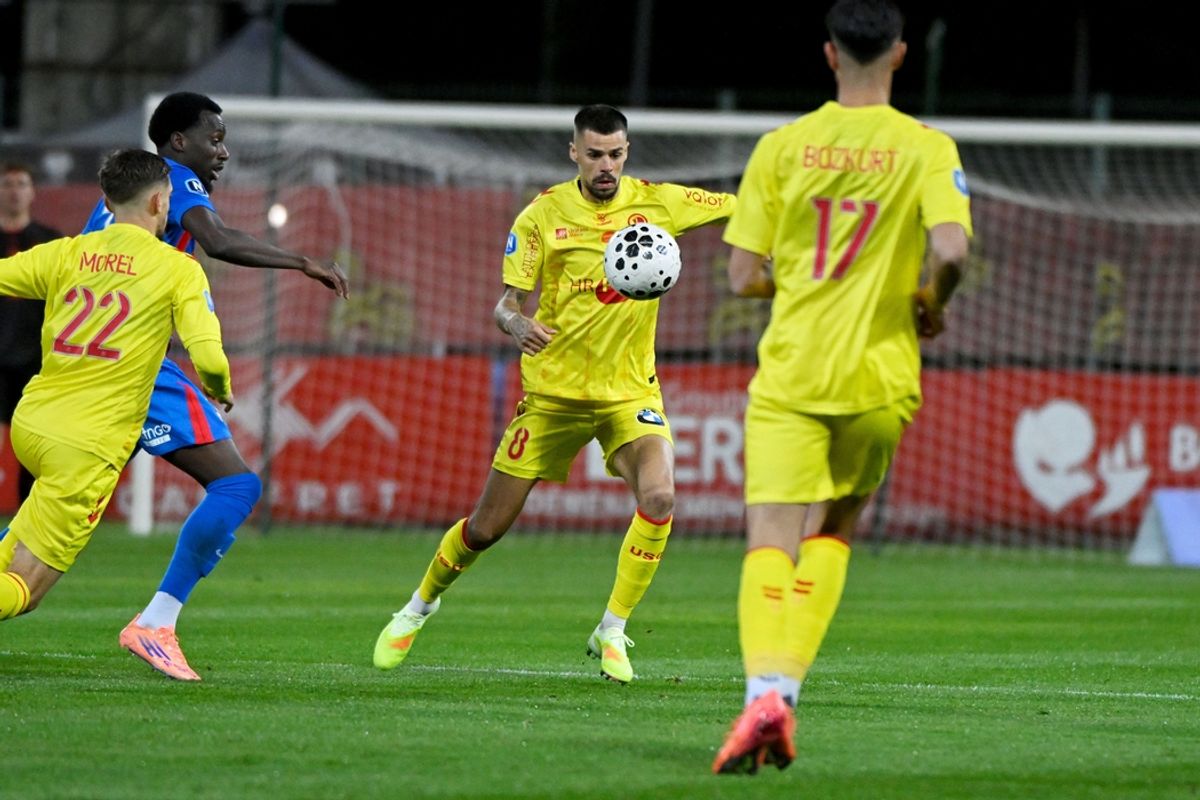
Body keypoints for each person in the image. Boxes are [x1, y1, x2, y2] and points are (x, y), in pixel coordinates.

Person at [372, 104, 735, 683]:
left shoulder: (660, 203)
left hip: (628, 394)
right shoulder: (541, 215)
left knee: (661, 496)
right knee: (485, 529)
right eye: (594, 154)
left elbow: (745, 205)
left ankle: (612, 629)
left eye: (616, 154)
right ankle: (418, 607)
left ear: (627, 152)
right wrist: (516, 324)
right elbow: (505, 304)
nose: (606, 166)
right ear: (574, 153)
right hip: (553, 397)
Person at [711, 0, 972, 774]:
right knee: (835, 530)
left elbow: (739, 276)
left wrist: (793, 281)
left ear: (829, 55)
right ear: (898, 55)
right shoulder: (926, 147)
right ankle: (781, 697)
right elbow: (953, 252)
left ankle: (763, 690)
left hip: (792, 373)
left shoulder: (781, 147)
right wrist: (929, 302)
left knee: (771, 543)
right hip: (880, 376)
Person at [80, 92, 349, 680]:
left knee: (66, 507)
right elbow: (220, 241)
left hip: (84, 365)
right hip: (137, 367)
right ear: (179, 142)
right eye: (215, 138)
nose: (223, 152)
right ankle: (156, 622)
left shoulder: (113, 205)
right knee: (234, 486)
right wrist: (303, 261)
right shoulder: (174, 181)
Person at [0, 149, 232, 644]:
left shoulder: (66, 252)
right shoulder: (178, 269)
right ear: (156, 203)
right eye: (168, 198)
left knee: (13, 551)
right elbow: (209, 359)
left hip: (32, 422)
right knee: (24, 588)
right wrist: (220, 389)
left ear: (106, 199)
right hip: (86, 446)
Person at [1, 162, 64, 504]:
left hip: (35, 359)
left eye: (20, 183)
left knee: (34, 439)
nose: (13, 190)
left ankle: (27, 515)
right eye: (7, 184)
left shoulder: (50, 241)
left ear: (31, 191)